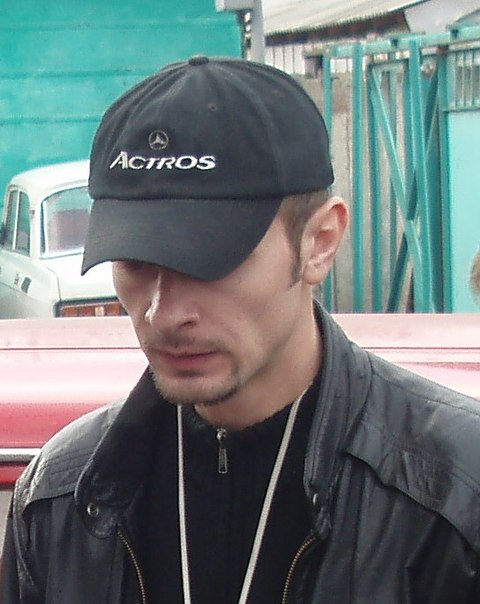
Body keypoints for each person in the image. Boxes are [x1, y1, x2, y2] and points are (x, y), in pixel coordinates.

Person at [1, 56, 480, 604]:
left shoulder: (456, 497)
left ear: (320, 242)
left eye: (211, 261)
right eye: (134, 262)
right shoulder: (59, 500)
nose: (163, 313)